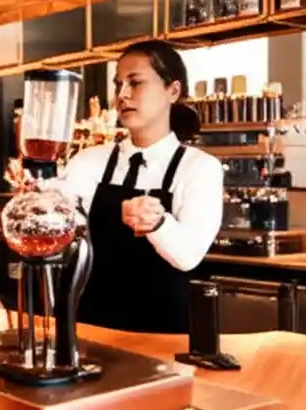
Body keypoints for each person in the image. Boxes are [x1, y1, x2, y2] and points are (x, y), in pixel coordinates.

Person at [60, 39, 223, 334]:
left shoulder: (199, 169)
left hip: (163, 336)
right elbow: (61, 236)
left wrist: (158, 223)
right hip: (91, 330)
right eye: (118, 84)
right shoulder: (87, 162)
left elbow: (188, 256)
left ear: (173, 91)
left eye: (135, 83)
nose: (122, 95)